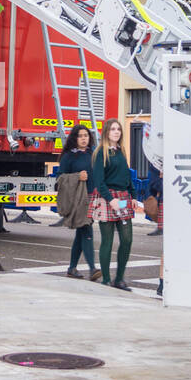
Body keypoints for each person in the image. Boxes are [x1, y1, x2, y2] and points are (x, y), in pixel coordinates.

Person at [90, 118, 136, 291]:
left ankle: (119, 279)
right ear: (106, 132)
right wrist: (111, 200)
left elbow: (127, 175)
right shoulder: (100, 152)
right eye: (113, 129)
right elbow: (99, 181)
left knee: (127, 239)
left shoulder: (121, 151)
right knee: (107, 241)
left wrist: (133, 195)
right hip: (107, 197)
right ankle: (106, 280)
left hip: (123, 197)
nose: (116, 132)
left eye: (119, 129)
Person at [57, 124, 98, 281]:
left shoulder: (93, 154)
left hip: (92, 198)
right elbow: (60, 179)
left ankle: (71, 268)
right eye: (80, 136)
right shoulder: (69, 156)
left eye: (86, 136)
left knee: (81, 232)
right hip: (77, 200)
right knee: (86, 229)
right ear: (75, 138)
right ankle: (93, 268)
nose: (83, 139)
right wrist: (77, 177)